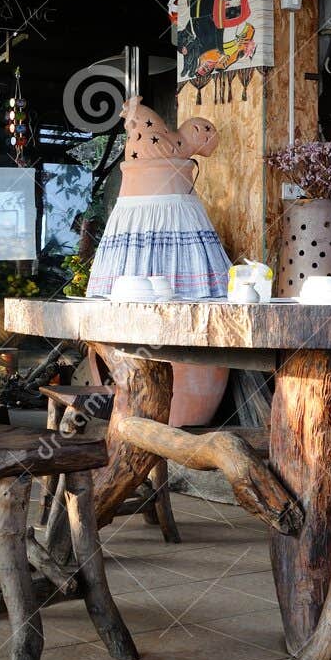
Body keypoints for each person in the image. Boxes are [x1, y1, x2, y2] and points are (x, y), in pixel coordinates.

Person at [86, 95, 231, 427]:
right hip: (145, 208)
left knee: (176, 306)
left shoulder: (176, 163)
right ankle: (144, 421)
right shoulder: (166, 153)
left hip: (156, 210)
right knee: (148, 305)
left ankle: (168, 425)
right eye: (203, 134)